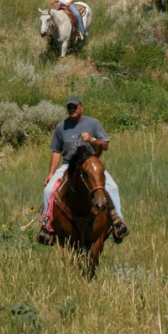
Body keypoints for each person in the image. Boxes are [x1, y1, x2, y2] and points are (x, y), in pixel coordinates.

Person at [40, 95, 129, 241]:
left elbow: (105, 146)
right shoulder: (61, 126)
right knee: (48, 190)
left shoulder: (93, 123)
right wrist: (50, 173)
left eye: (75, 106)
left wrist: (92, 139)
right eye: (69, 107)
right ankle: (47, 226)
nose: (72, 109)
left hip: (90, 163)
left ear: (81, 107)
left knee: (112, 187)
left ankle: (117, 222)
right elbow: (56, 151)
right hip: (69, 164)